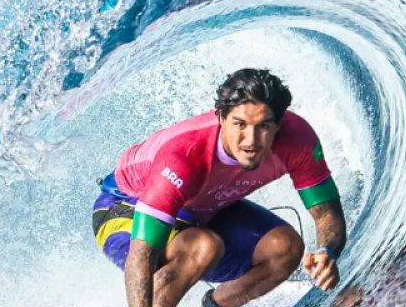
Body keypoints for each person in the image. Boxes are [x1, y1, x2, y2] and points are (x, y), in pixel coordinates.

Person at [91, 68, 348, 307]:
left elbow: (326, 214)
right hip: (124, 208)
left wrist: (327, 251)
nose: (251, 140)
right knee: (203, 246)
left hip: (203, 209)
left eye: (263, 126)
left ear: (278, 125)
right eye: (240, 124)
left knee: (285, 248)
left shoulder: (298, 141)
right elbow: (142, 255)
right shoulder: (184, 154)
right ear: (222, 118)